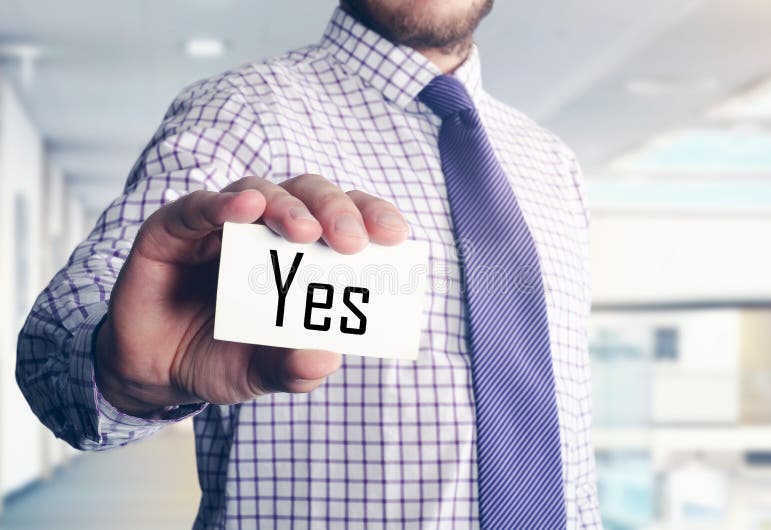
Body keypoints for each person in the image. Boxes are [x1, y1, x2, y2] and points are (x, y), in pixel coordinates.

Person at [17, 1, 601, 528]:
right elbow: (58, 339)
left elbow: (567, 422)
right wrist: (123, 374)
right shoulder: (242, 112)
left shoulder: (550, 162)